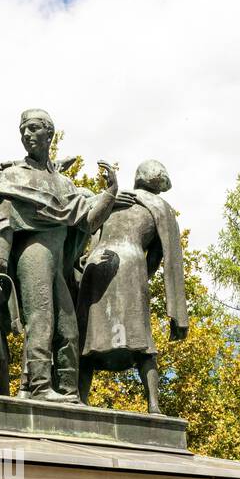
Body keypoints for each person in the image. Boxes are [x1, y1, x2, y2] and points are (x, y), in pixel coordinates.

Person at [0, 108, 125, 402]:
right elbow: (3, 218)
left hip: (57, 257)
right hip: (33, 252)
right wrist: (0, 256)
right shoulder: (13, 175)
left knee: (68, 328)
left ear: (50, 134)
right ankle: (39, 386)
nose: (27, 134)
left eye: (34, 128)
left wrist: (111, 192)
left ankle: (69, 390)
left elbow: (87, 221)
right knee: (41, 318)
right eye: (23, 130)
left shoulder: (64, 184)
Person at [77, 159, 188, 412]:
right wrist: (146, 279)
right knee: (142, 344)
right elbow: (164, 255)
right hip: (130, 265)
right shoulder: (161, 206)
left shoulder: (113, 199)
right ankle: (154, 406)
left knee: (89, 340)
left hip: (95, 266)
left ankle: (82, 400)